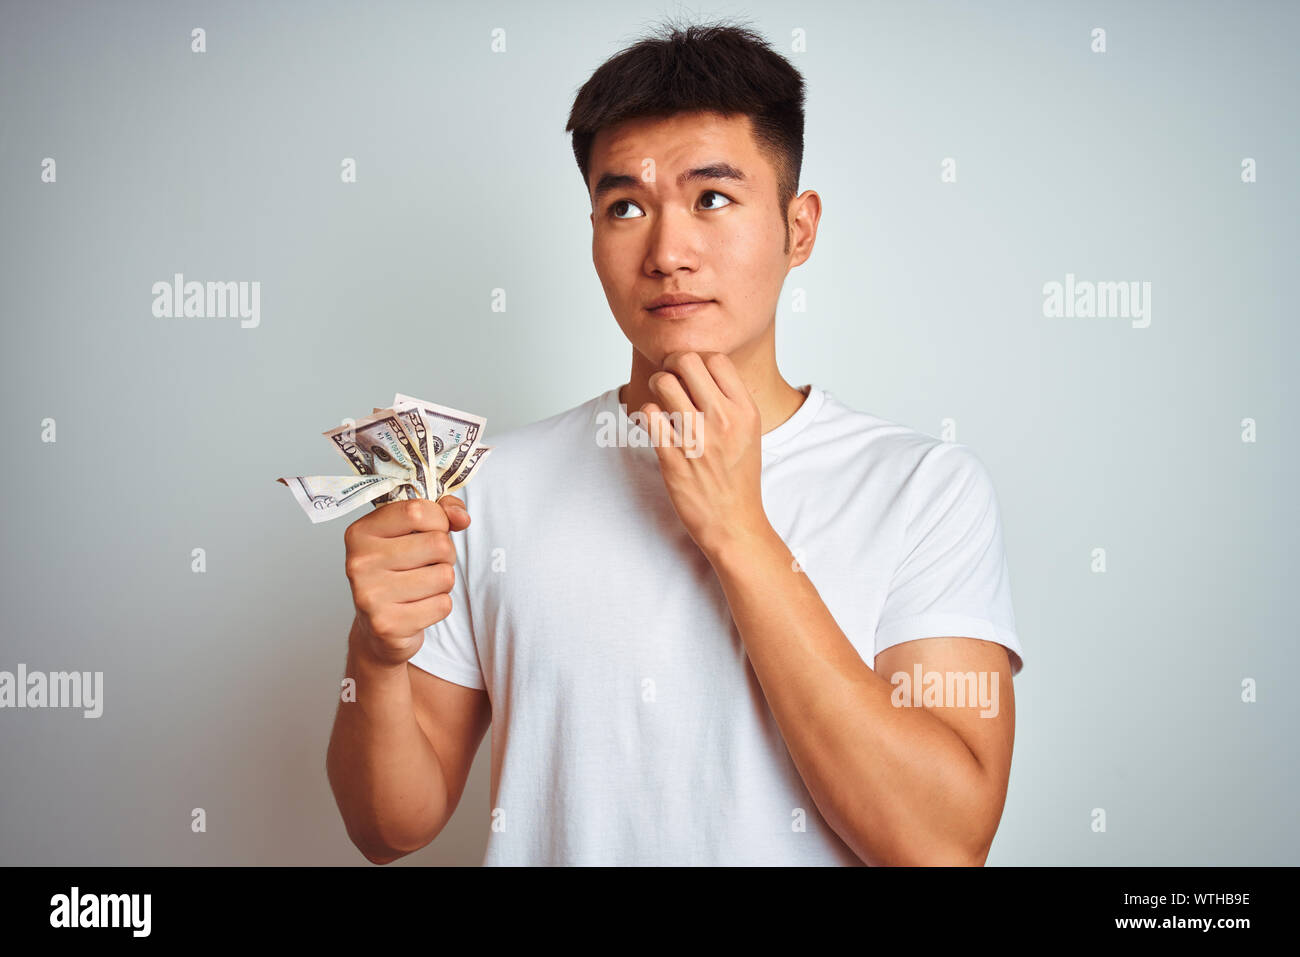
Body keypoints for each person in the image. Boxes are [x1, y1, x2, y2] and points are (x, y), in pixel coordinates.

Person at [326, 19, 1023, 866]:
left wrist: (737, 527)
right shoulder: (490, 491)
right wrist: (377, 654)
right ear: (591, 233)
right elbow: (389, 828)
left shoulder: (924, 489)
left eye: (712, 198)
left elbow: (943, 843)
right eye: (626, 206)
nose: (667, 252)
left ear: (798, 229)